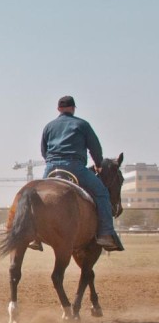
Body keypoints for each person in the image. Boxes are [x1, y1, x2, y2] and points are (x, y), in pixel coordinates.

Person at [40, 95, 121, 251]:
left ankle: (35, 237)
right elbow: (95, 148)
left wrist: (51, 162)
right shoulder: (82, 125)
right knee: (102, 194)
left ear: (58, 109)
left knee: (38, 197)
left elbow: (44, 151)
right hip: (74, 167)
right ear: (73, 108)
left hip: (50, 168)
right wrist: (98, 165)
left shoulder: (49, 126)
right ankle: (105, 234)